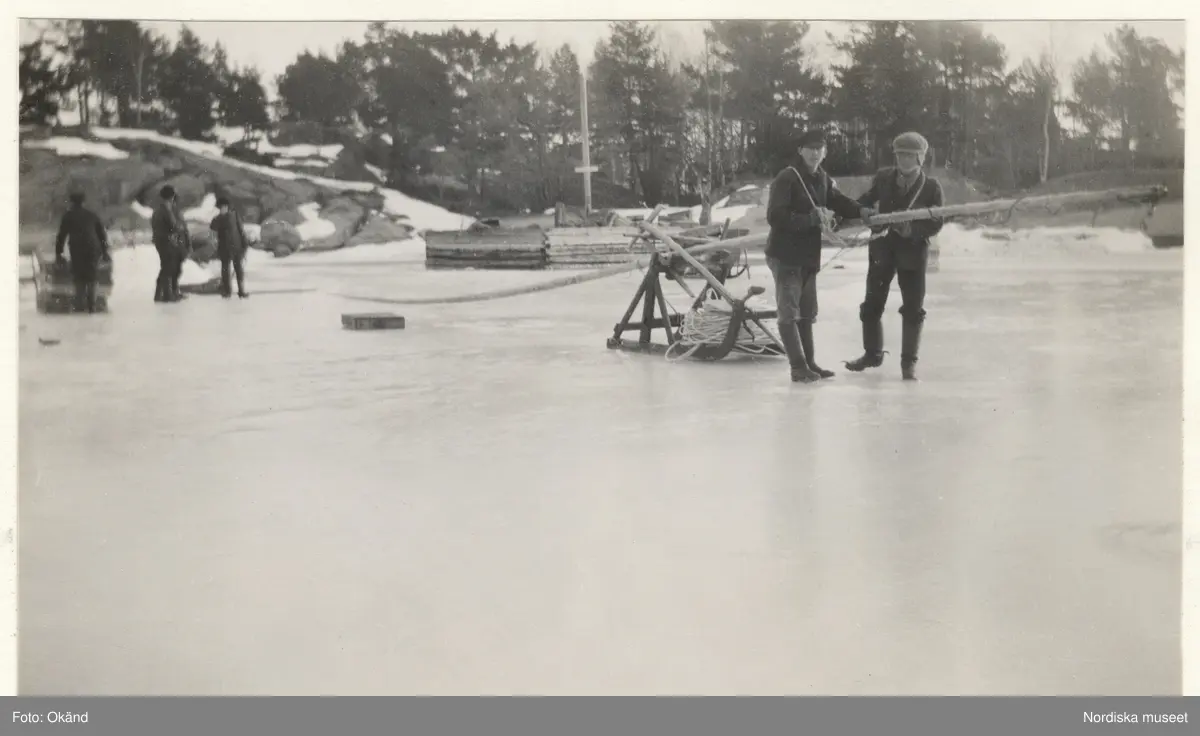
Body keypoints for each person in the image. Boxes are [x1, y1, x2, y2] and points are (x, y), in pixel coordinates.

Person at [766, 129, 875, 383]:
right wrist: (811, 218)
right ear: (800, 151)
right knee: (788, 313)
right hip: (785, 256)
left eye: (820, 149)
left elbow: (838, 201)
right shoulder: (787, 178)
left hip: (808, 257)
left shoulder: (822, 178)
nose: (815, 153)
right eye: (810, 148)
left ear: (825, 152)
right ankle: (798, 367)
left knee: (806, 312)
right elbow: (775, 216)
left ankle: (810, 363)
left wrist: (862, 211)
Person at [844, 131, 945, 381]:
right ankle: (872, 354)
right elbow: (866, 200)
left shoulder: (931, 187)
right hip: (882, 249)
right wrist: (862, 210)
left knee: (913, 307)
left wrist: (911, 229)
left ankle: (908, 364)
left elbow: (937, 223)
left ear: (921, 158)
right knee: (871, 304)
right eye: (901, 154)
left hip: (912, 254)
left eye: (910, 155)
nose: (905, 160)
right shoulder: (884, 177)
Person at [54, 192, 111, 313]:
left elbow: (61, 237)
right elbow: (102, 235)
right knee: (91, 276)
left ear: (71, 202)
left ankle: (80, 305)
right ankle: (91, 305)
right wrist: (105, 252)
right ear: (83, 202)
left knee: (79, 276)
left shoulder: (68, 216)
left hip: (77, 248)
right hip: (93, 248)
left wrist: (59, 254)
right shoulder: (92, 215)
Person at [150, 185, 190, 302]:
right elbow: (174, 226)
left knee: (175, 268)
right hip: (166, 244)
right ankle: (166, 295)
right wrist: (178, 230)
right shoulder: (162, 211)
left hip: (174, 244)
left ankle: (172, 292)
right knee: (168, 268)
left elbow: (181, 227)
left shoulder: (173, 210)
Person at [209, 197, 250, 298]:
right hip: (224, 248)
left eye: (224, 207)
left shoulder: (235, 216)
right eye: (220, 207)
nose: (222, 209)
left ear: (227, 207)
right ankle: (227, 291)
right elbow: (212, 232)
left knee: (238, 269)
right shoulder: (216, 219)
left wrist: (245, 244)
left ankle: (241, 290)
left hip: (236, 246)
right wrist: (214, 244)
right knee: (225, 271)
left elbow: (241, 230)